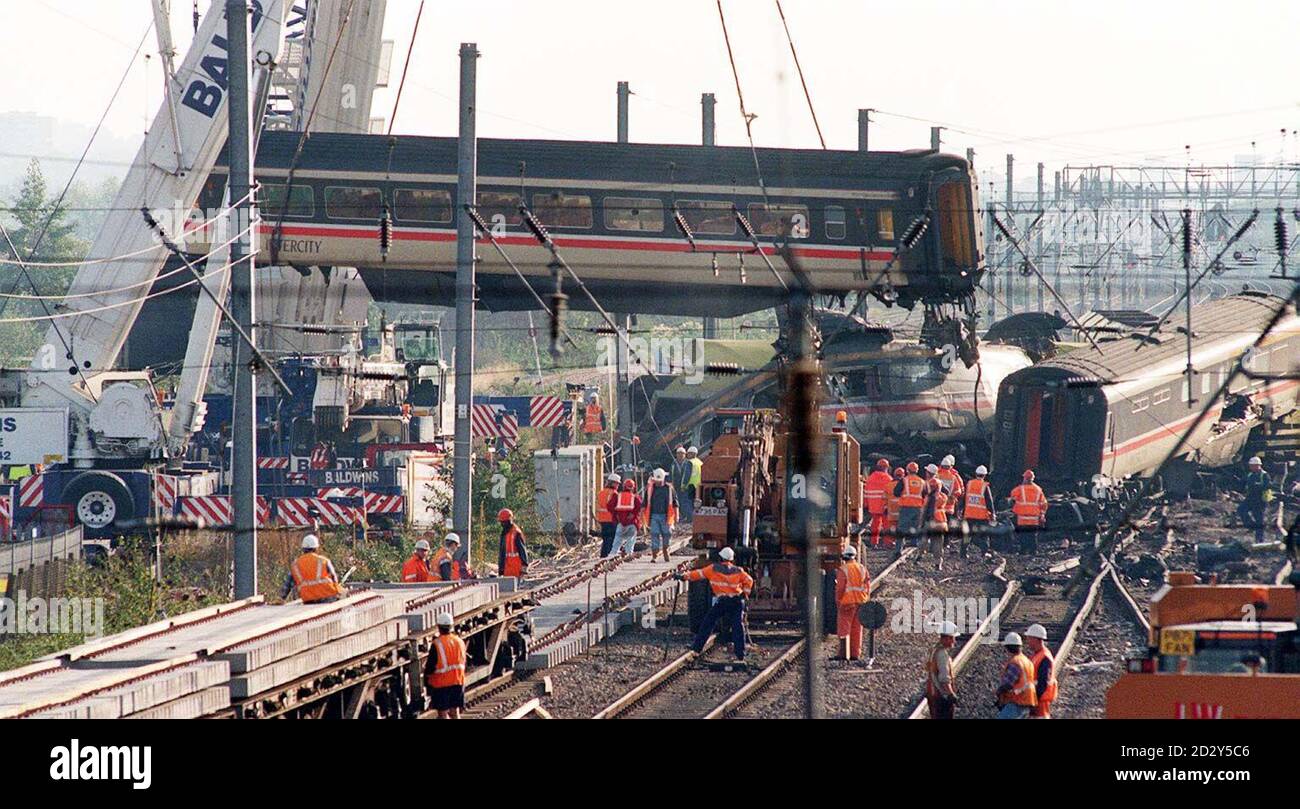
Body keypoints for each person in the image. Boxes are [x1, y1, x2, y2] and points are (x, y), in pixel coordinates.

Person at [675, 546, 753, 661]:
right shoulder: (739, 570)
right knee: (738, 626)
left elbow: (697, 574)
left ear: (720, 558)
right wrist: (745, 594)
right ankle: (740, 653)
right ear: (731, 559)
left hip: (722, 601)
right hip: (736, 601)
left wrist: (682, 576)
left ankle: (696, 648)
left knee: (708, 623)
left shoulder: (713, 569)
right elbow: (749, 581)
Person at [424, 613, 467, 719]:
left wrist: (426, 681)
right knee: (455, 711)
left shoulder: (437, 644)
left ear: (439, 627)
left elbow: (430, 666)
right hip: (457, 681)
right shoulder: (459, 641)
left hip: (441, 684)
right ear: (451, 626)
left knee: (442, 713)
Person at [281, 534, 345, 603]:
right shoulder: (324, 561)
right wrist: (338, 590)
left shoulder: (295, 564)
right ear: (316, 548)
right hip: (327, 596)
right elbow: (334, 577)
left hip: (308, 599)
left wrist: (282, 598)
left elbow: (287, 584)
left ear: (303, 549)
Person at [835, 545, 871, 661]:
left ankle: (844, 655)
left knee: (844, 628)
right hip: (861, 602)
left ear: (844, 557)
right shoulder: (862, 568)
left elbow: (840, 588)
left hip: (847, 602)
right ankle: (855, 655)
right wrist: (865, 599)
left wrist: (838, 601)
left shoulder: (843, 569)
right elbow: (867, 586)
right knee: (857, 629)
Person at [995, 632, 1038, 719]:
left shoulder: (1015, 662)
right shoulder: (1027, 661)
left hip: (1017, 702)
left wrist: (999, 692)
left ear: (1008, 647)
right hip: (1028, 701)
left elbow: (1008, 684)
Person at [925, 621, 959, 719]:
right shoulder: (942, 655)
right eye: (953, 638)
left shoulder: (934, 650)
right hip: (941, 697)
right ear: (947, 638)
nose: (954, 641)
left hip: (933, 694)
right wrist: (951, 694)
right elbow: (944, 678)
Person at [642, 468, 677, 563]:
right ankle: (655, 554)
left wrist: (676, 516)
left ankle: (666, 550)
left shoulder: (669, 488)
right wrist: (643, 515)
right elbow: (645, 502)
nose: (657, 482)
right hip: (653, 515)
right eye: (656, 480)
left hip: (667, 516)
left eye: (659, 480)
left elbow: (675, 503)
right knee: (654, 534)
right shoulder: (650, 489)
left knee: (667, 534)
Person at [1008, 469, 1048, 554]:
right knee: (1032, 535)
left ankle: (1023, 551)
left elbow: (1012, 497)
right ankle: (1033, 551)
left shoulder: (1020, 489)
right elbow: (1044, 503)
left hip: (1022, 517)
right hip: (1033, 517)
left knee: (1023, 534)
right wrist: (1042, 514)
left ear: (1025, 478)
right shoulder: (1038, 489)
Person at [1024, 623, 1058, 719]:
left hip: (1040, 704)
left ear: (1036, 639)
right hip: (1035, 701)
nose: (1028, 641)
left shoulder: (1044, 658)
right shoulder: (1036, 656)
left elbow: (1042, 683)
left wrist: (1033, 701)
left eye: (1029, 638)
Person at [962, 465, 995, 558]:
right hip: (981, 515)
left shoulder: (969, 484)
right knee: (983, 535)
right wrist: (992, 513)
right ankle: (984, 552)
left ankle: (963, 553)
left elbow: (965, 498)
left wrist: (962, 510)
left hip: (969, 513)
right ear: (984, 475)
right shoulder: (985, 486)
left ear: (976, 474)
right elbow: (989, 501)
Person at [894, 462, 927, 556]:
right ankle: (914, 543)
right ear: (917, 470)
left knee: (902, 528)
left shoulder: (904, 480)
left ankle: (898, 549)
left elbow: (896, 492)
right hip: (918, 508)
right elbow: (925, 494)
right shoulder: (922, 481)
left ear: (907, 470)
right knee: (915, 526)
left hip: (905, 507)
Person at [1238, 456, 1272, 543]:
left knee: (1259, 520)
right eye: (1250, 466)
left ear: (1258, 465)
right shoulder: (1250, 475)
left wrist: (1257, 486)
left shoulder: (1264, 475)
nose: (1251, 467)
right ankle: (1251, 526)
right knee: (1241, 510)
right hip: (1250, 498)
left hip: (1260, 500)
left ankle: (1259, 540)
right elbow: (1242, 484)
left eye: (1252, 466)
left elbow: (1268, 486)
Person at [862, 459, 894, 547]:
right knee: (887, 524)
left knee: (875, 525)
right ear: (886, 468)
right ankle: (888, 542)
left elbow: (866, 492)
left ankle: (874, 542)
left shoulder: (871, 478)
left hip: (873, 506)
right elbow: (891, 493)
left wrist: (866, 504)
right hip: (884, 506)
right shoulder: (888, 479)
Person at [919, 477, 948, 571]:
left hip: (932, 523)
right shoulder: (943, 497)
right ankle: (937, 563)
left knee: (926, 541)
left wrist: (921, 523)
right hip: (940, 523)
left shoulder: (932, 498)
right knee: (937, 544)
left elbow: (924, 511)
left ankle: (920, 555)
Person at [610, 478, 642, 556]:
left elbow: (610, 506)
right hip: (632, 523)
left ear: (624, 486)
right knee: (630, 543)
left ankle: (612, 555)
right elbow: (641, 507)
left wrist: (616, 515)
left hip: (621, 523)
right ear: (633, 487)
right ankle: (628, 555)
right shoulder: (635, 497)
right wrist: (634, 514)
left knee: (617, 542)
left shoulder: (618, 496)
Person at [497, 509, 529, 578]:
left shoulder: (516, 533)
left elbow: (522, 550)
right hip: (507, 569)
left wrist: (524, 566)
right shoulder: (504, 533)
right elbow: (502, 552)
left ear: (508, 521)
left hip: (516, 569)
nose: (502, 524)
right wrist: (501, 569)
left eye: (503, 522)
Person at [596, 473, 621, 557]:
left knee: (606, 538)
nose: (618, 485)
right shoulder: (614, 494)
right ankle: (609, 555)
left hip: (602, 519)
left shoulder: (600, 493)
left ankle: (603, 555)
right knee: (611, 538)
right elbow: (616, 508)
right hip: (611, 519)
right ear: (613, 483)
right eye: (617, 483)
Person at [935, 455, 964, 525]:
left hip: (938, 504)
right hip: (949, 504)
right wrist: (953, 496)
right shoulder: (954, 476)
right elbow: (960, 491)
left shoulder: (936, 475)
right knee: (948, 523)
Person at [671, 447, 694, 525]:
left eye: (682, 454)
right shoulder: (673, 463)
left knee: (685, 502)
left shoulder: (688, 463)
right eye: (678, 453)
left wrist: (684, 485)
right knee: (678, 502)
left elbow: (687, 475)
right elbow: (672, 474)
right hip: (676, 486)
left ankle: (690, 517)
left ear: (685, 455)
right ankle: (683, 517)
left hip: (685, 487)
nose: (680, 455)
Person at [884, 467, 905, 548]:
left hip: (891, 511)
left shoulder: (888, 485)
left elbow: (884, 497)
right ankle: (899, 544)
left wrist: (885, 507)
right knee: (901, 528)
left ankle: (890, 542)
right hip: (901, 510)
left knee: (891, 527)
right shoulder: (905, 485)